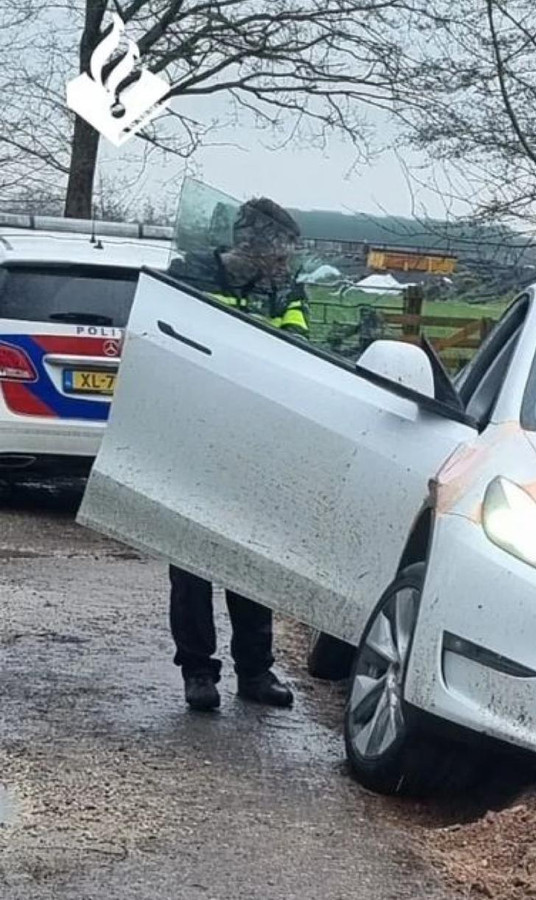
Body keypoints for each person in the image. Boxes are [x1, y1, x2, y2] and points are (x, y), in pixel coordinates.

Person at [165, 197, 309, 711]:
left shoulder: (287, 290)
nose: (288, 263)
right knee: (191, 566)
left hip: (256, 442)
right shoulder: (192, 274)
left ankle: (255, 672)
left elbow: (299, 355)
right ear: (251, 244)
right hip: (197, 435)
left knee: (253, 561)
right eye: (282, 252)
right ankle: (198, 673)